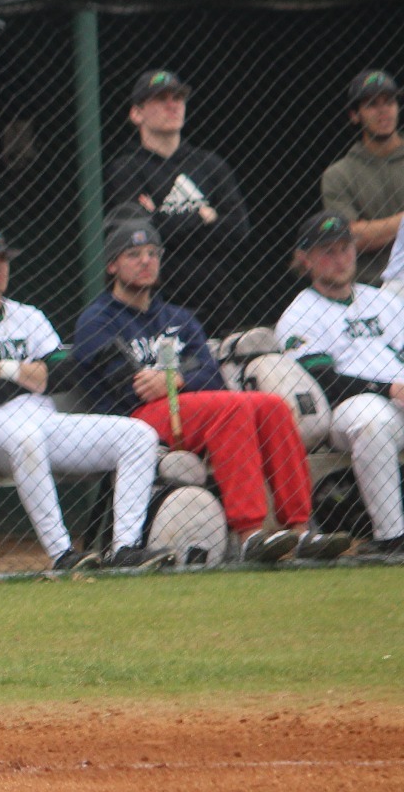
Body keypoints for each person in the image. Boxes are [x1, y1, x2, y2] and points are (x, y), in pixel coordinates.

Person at [72, 218, 350, 563]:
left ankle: (301, 529)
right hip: (135, 423)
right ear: (112, 265)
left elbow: (210, 375)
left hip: (193, 409)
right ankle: (251, 534)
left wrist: (176, 379)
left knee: (271, 406)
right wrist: (178, 377)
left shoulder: (179, 317)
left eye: (152, 253)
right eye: (133, 254)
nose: (145, 261)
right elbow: (131, 387)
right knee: (230, 409)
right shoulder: (98, 319)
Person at [0, 226, 163, 570]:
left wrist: (0, 368)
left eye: (2, 259)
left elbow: (63, 374)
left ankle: (125, 548)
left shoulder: (27, 315)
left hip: (46, 422)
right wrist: (30, 373)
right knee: (26, 440)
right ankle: (62, 554)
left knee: (139, 436)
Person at [275, 213, 404, 555]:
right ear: (306, 259)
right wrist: (388, 389)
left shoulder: (385, 301)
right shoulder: (300, 313)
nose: (339, 259)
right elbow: (323, 381)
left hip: (399, 396)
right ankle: (392, 537)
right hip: (353, 405)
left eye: (345, 248)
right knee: (371, 422)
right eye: (327, 251)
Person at [102, 70, 252, 335]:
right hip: (157, 301)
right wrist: (202, 218)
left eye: (178, 98)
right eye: (160, 99)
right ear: (137, 113)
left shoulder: (210, 164)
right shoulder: (125, 168)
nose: (172, 105)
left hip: (215, 300)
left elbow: (238, 231)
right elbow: (140, 235)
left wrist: (164, 223)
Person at [320, 68, 404, 288]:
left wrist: (376, 228)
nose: (383, 111)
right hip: (374, 289)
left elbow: (364, 231)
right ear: (354, 115)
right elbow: (351, 238)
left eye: (389, 102)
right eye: (372, 105)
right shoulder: (339, 174)